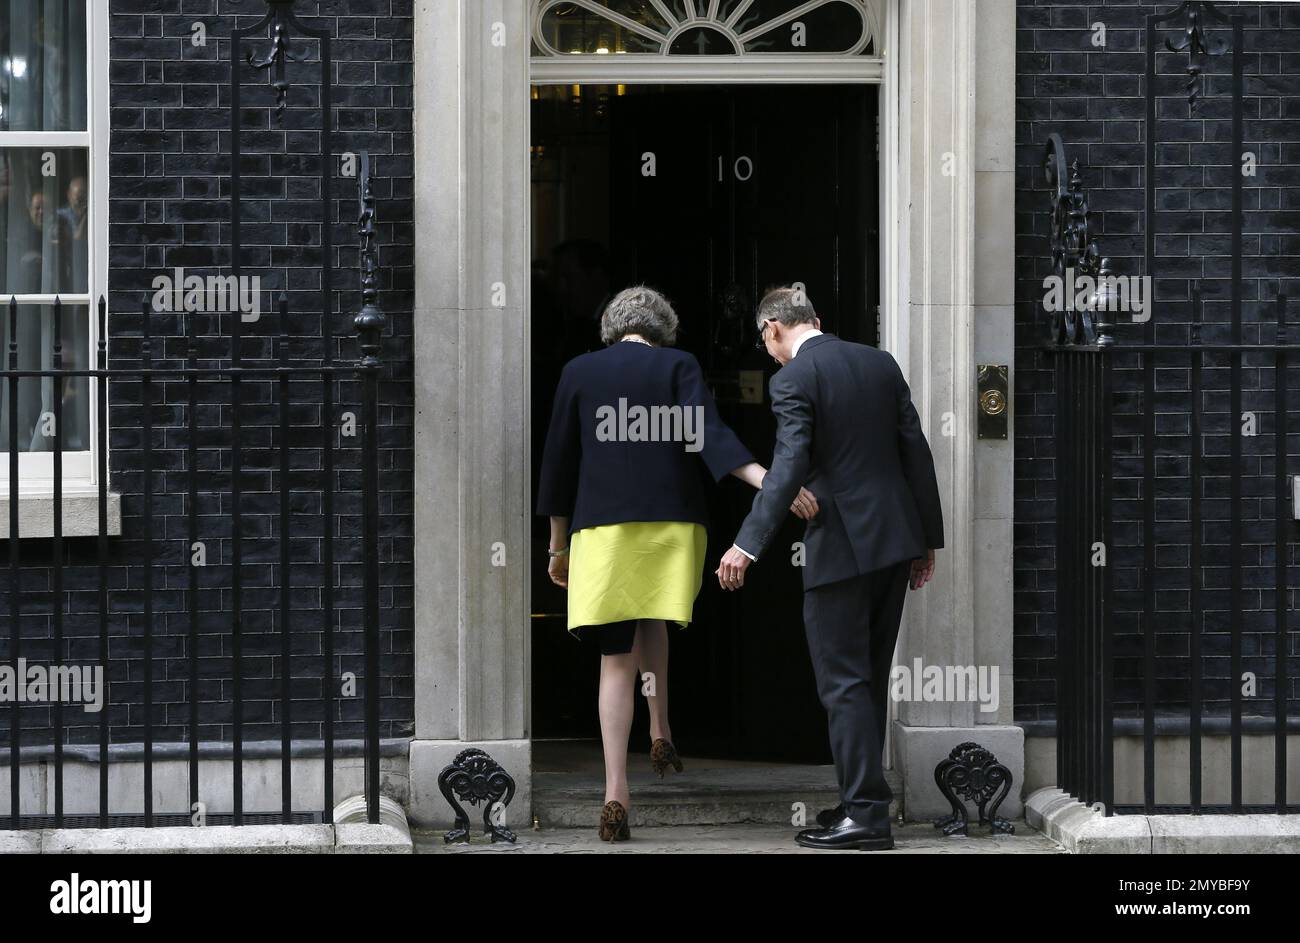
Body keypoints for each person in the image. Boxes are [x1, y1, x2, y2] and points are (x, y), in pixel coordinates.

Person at [537, 285, 819, 842]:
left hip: (602, 527)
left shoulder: (579, 372)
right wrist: (770, 481)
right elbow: (707, 437)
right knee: (655, 619)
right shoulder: (678, 364)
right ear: (662, 328)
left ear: (611, 329)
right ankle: (660, 724)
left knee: (614, 656)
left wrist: (557, 545)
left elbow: (558, 464)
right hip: (672, 523)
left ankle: (616, 786)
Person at [717, 286, 944, 851]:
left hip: (841, 548)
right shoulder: (879, 363)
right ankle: (857, 800)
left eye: (764, 340)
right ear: (816, 319)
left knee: (842, 683)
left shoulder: (791, 379)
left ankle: (866, 816)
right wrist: (926, 541)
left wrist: (747, 545)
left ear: (773, 328)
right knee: (864, 678)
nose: (768, 351)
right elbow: (916, 451)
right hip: (894, 543)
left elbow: (790, 460)